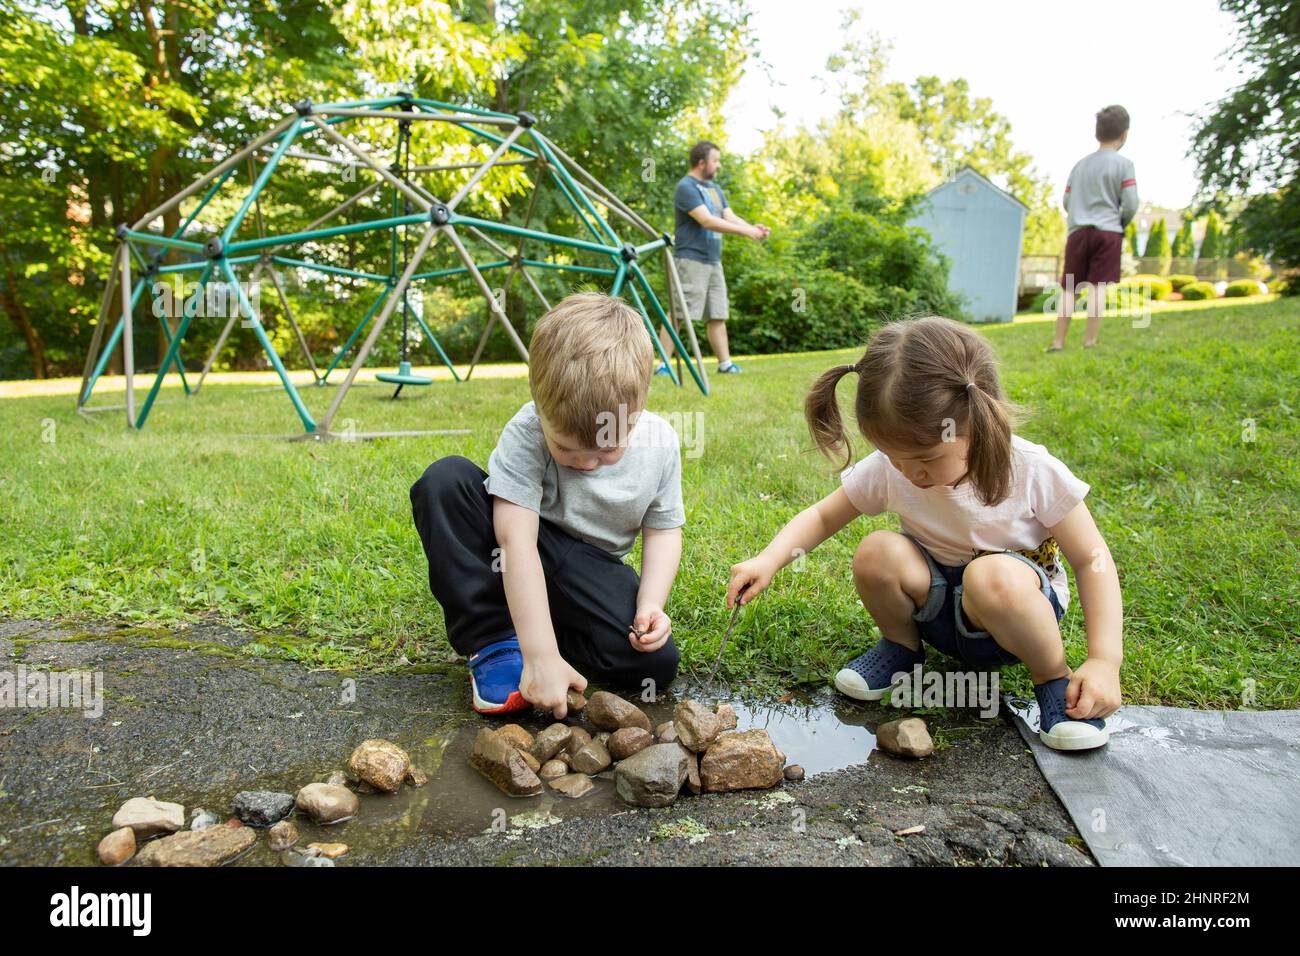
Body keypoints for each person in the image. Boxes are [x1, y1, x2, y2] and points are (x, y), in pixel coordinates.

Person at [727, 316, 1124, 751]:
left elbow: (1091, 559)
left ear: (979, 417)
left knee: (991, 576)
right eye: (893, 457)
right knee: (877, 550)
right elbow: (824, 517)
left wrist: (1105, 660)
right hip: (939, 610)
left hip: (1014, 615)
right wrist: (769, 559)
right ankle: (902, 648)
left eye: (925, 458)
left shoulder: (1031, 471)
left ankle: (1052, 678)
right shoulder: (895, 467)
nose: (908, 473)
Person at [410, 293, 684, 718]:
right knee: (445, 482)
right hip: (520, 550)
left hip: (588, 572)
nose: (588, 464)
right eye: (567, 449)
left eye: (607, 449)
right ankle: (498, 642)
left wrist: (651, 603)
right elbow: (515, 543)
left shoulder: (660, 442)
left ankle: (550, 641)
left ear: (639, 410)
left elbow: (663, 529)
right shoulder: (527, 431)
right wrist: (538, 657)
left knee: (654, 662)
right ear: (540, 407)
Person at [656, 140, 770, 376]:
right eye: (715, 161)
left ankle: (725, 364)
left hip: (713, 260)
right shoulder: (686, 187)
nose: (718, 166)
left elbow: (728, 216)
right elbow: (706, 220)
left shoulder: (714, 189)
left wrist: (753, 229)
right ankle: (663, 365)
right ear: (701, 163)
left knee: (717, 313)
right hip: (691, 259)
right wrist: (745, 231)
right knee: (680, 312)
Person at [1049, 105, 1139, 351]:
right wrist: (1121, 222)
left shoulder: (1080, 166)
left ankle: (1058, 341)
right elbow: (1130, 203)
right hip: (1108, 230)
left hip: (1078, 232)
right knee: (1098, 286)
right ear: (1124, 134)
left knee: (1070, 286)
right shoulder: (1124, 165)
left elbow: (1066, 200)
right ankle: (1089, 340)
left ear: (1097, 133)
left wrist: (1079, 214)